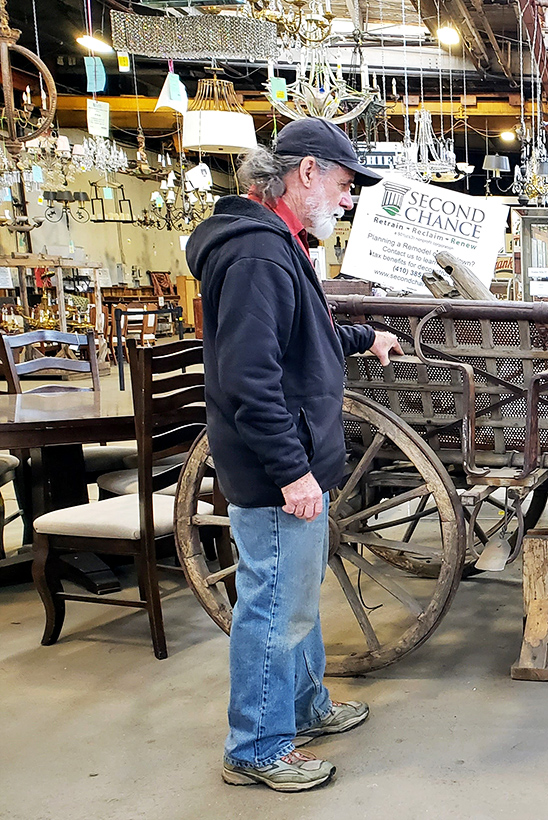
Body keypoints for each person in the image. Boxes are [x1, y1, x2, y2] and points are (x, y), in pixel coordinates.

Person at [186, 117, 403, 792]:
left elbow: (301, 338)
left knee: (294, 597)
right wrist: (292, 473)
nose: (346, 200)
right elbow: (250, 379)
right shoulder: (256, 254)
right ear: (305, 171)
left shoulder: (277, 244)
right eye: (343, 185)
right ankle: (255, 746)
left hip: (296, 463)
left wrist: (365, 337)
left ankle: (305, 706)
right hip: (278, 471)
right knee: (274, 605)